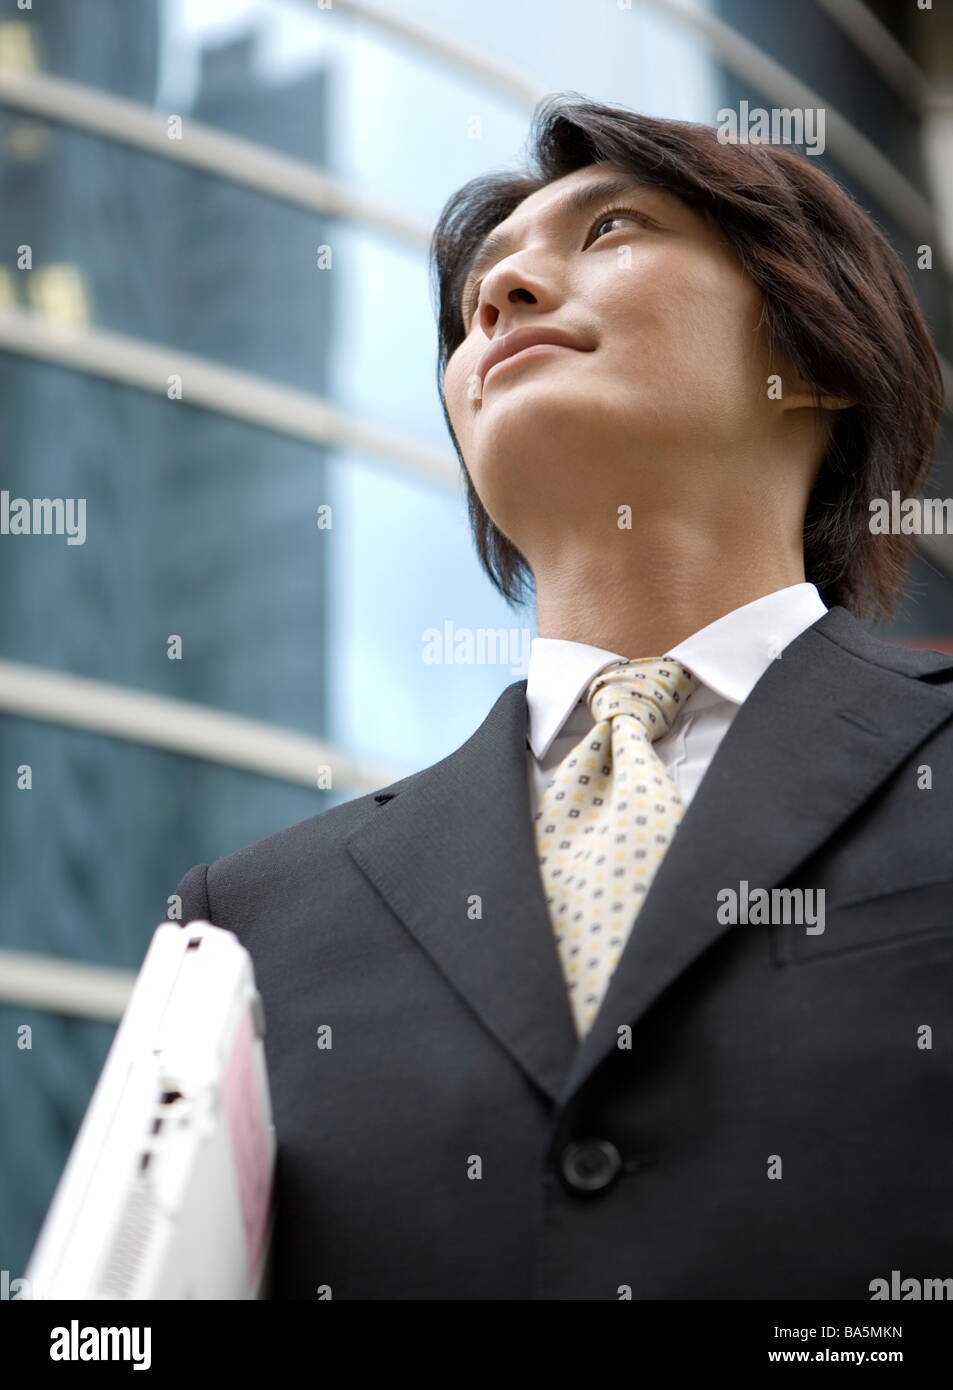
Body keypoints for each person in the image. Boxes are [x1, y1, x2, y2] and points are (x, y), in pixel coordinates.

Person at [173, 95, 953, 1300]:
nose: (499, 299)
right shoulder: (248, 920)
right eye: (479, 290)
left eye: (610, 232)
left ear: (809, 357)